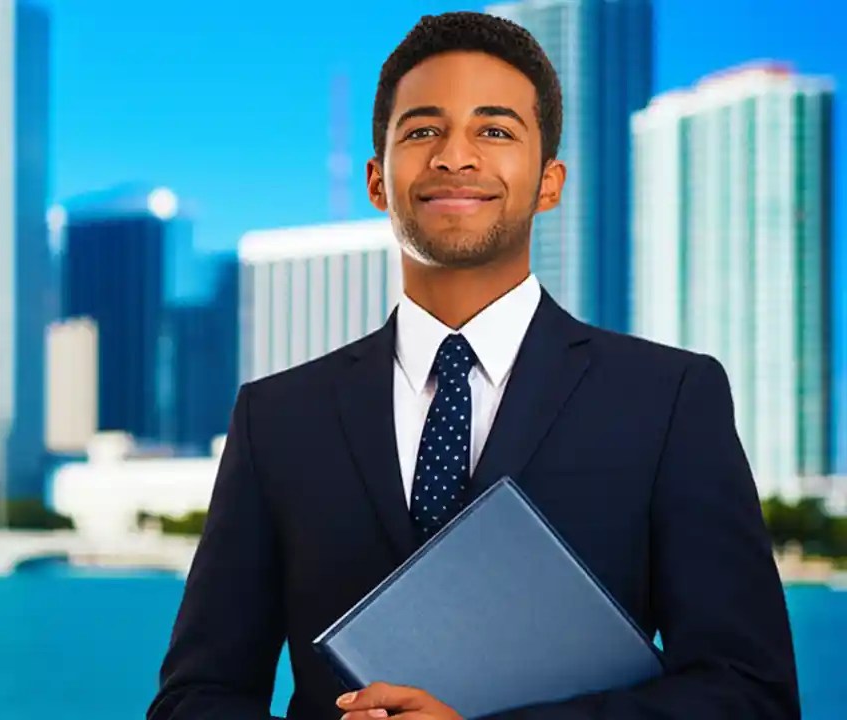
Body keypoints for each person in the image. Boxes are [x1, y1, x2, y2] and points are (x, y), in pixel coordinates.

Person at [147, 11, 799, 720]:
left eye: (494, 131)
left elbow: (750, 695)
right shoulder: (277, 418)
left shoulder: (667, 399)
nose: (455, 157)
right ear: (377, 178)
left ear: (550, 182)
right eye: (422, 130)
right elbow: (194, 698)